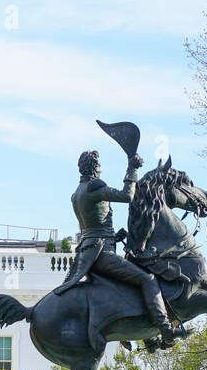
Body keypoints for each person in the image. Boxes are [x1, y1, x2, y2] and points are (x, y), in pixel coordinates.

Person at [62, 148, 187, 350]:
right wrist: (132, 168)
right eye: (100, 166)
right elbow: (127, 195)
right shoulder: (95, 186)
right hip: (101, 253)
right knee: (148, 279)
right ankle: (165, 329)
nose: (101, 170)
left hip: (91, 250)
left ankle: (146, 335)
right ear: (94, 167)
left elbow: (90, 227)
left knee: (133, 277)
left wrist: (113, 237)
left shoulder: (76, 193)